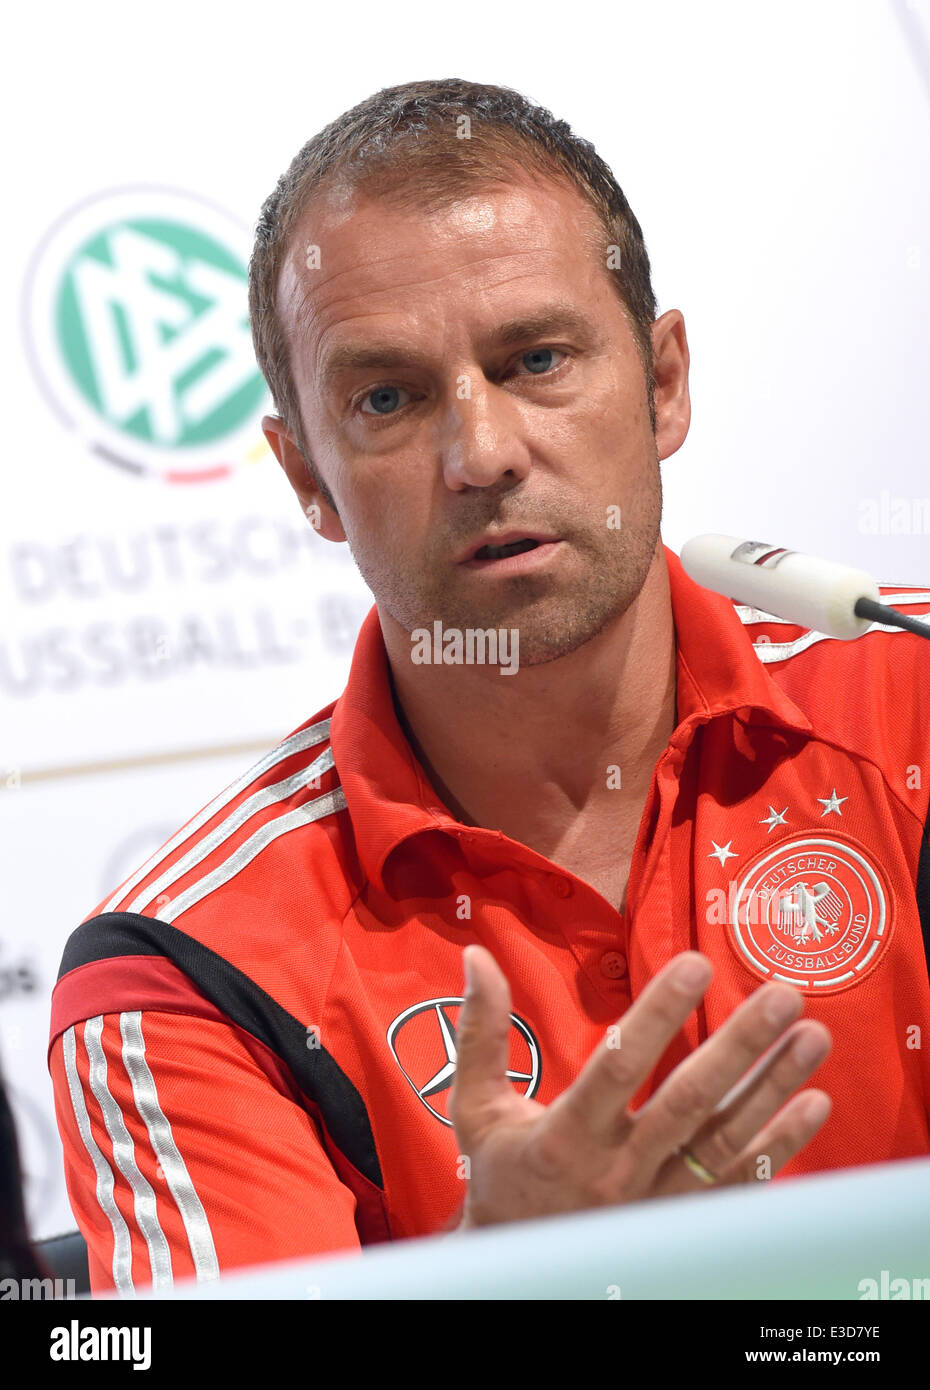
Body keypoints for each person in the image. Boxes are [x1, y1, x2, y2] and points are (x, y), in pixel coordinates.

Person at [48, 78, 930, 1294]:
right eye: (389, 399)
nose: (483, 454)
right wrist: (503, 1282)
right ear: (306, 475)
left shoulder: (910, 700)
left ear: (665, 381)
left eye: (537, 359)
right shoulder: (182, 970)